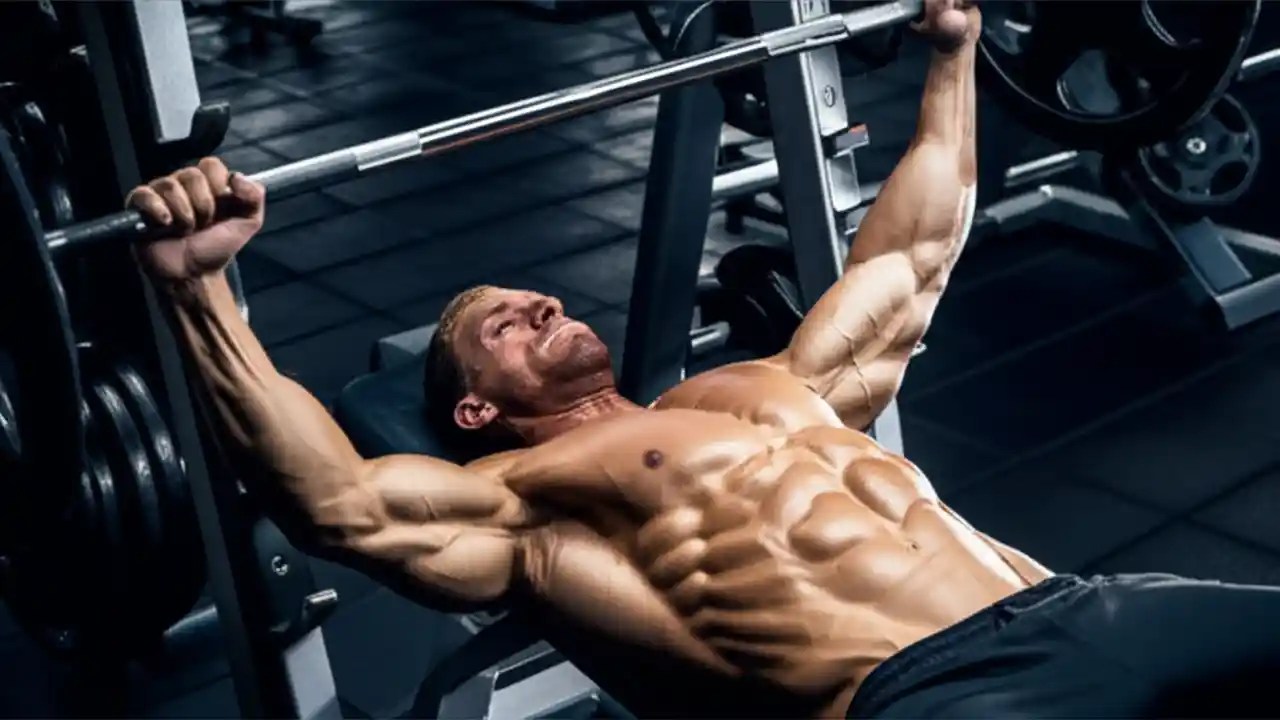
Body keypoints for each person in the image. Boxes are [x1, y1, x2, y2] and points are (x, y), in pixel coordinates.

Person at [128, 1, 1280, 717]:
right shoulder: (523, 506)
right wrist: (198, 287)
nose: (536, 302)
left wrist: (952, 55)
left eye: (531, 298)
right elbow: (336, 508)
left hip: (1085, 605)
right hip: (940, 694)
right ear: (473, 412)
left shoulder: (763, 391)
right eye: (501, 327)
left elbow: (915, 260)